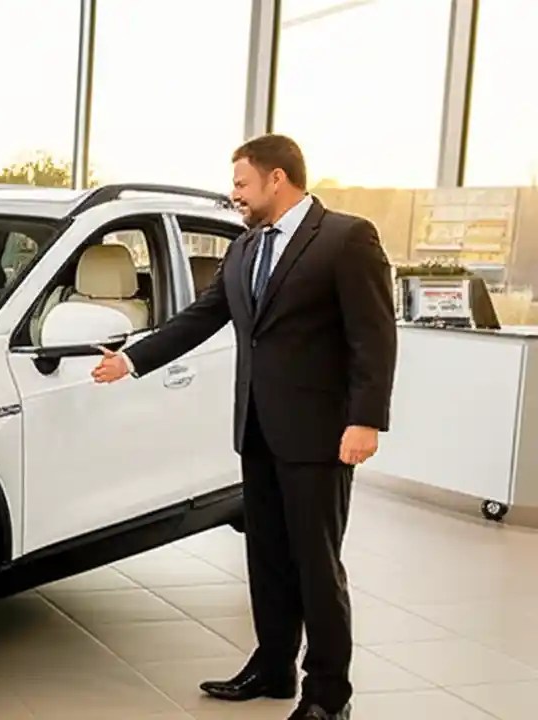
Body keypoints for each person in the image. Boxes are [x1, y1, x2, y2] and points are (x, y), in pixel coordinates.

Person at [92, 134, 396, 720]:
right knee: (268, 559)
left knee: (317, 565)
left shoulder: (345, 238)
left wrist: (366, 419)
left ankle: (329, 697)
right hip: (257, 431)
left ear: (276, 179)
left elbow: (374, 336)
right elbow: (201, 317)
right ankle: (274, 666)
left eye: (240, 183)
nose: (234, 194)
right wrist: (131, 360)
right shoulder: (246, 248)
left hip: (319, 436)